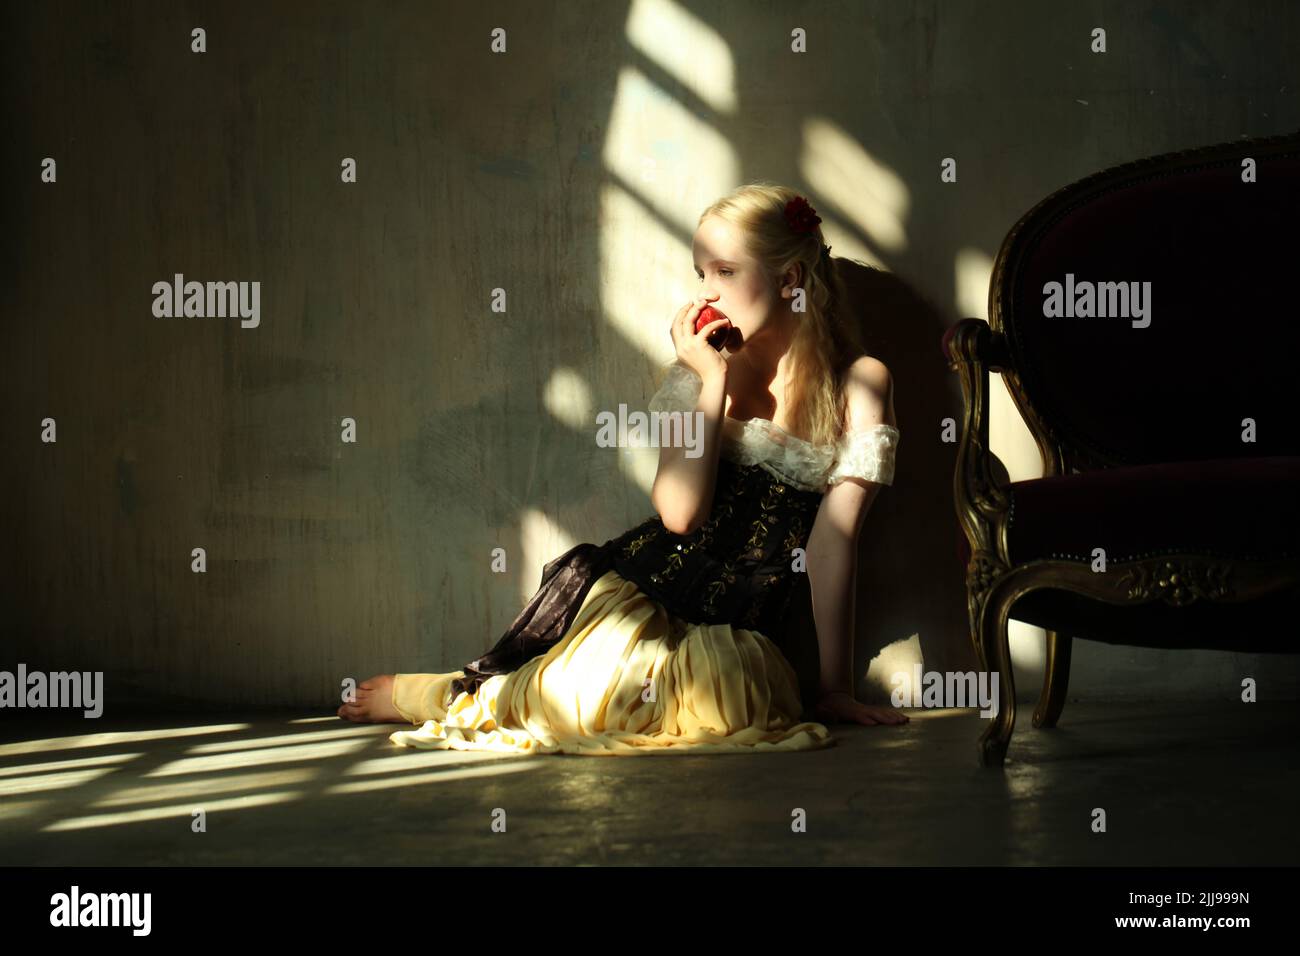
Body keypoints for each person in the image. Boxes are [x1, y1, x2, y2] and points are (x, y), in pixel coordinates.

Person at [337, 183, 907, 754]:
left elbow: (834, 543)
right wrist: (712, 382)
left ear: (789, 280)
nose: (707, 292)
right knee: (585, 696)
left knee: (731, 700)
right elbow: (681, 516)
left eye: (726, 272)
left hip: (743, 624)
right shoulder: (701, 371)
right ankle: (443, 695)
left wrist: (836, 688)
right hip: (647, 590)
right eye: (701, 273)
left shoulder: (859, 383)